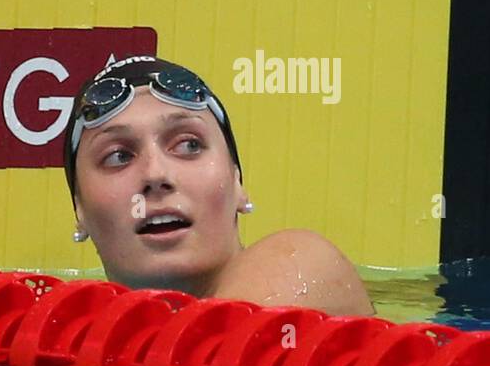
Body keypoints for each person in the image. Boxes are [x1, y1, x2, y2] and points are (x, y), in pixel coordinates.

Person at [64, 55, 374, 316]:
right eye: (118, 156)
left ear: (238, 182)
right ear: (80, 208)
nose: (156, 175)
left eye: (188, 145)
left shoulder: (301, 263)